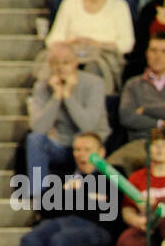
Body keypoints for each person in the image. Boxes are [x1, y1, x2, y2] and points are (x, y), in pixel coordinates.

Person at [8, 131, 116, 246]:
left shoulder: (110, 177)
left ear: (101, 152)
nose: (81, 155)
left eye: (87, 150)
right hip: (61, 223)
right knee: (30, 239)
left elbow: (105, 212)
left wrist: (71, 195)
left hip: (95, 229)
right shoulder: (63, 176)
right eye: (77, 150)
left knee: (60, 241)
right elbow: (45, 207)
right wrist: (86, 197)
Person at [25, 43, 112, 207]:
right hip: (61, 145)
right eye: (55, 63)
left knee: (86, 144)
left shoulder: (94, 84)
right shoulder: (43, 86)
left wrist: (69, 96)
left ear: (75, 63)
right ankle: (39, 200)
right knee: (34, 140)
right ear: (50, 65)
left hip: (89, 146)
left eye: (65, 62)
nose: (60, 68)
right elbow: (38, 128)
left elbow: (89, 127)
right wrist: (57, 96)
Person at [107, 31, 165, 172]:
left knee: (163, 166)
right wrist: (159, 123)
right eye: (153, 50)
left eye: (164, 51)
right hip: (139, 143)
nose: (158, 56)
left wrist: (145, 109)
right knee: (109, 170)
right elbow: (127, 117)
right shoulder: (133, 84)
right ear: (147, 53)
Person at [44, 0, 135, 92]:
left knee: (93, 66)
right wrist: (70, 44)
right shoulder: (70, 4)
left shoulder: (119, 6)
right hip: (71, 53)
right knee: (60, 62)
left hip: (104, 55)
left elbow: (126, 43)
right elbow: (53, 39)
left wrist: (97, 44)